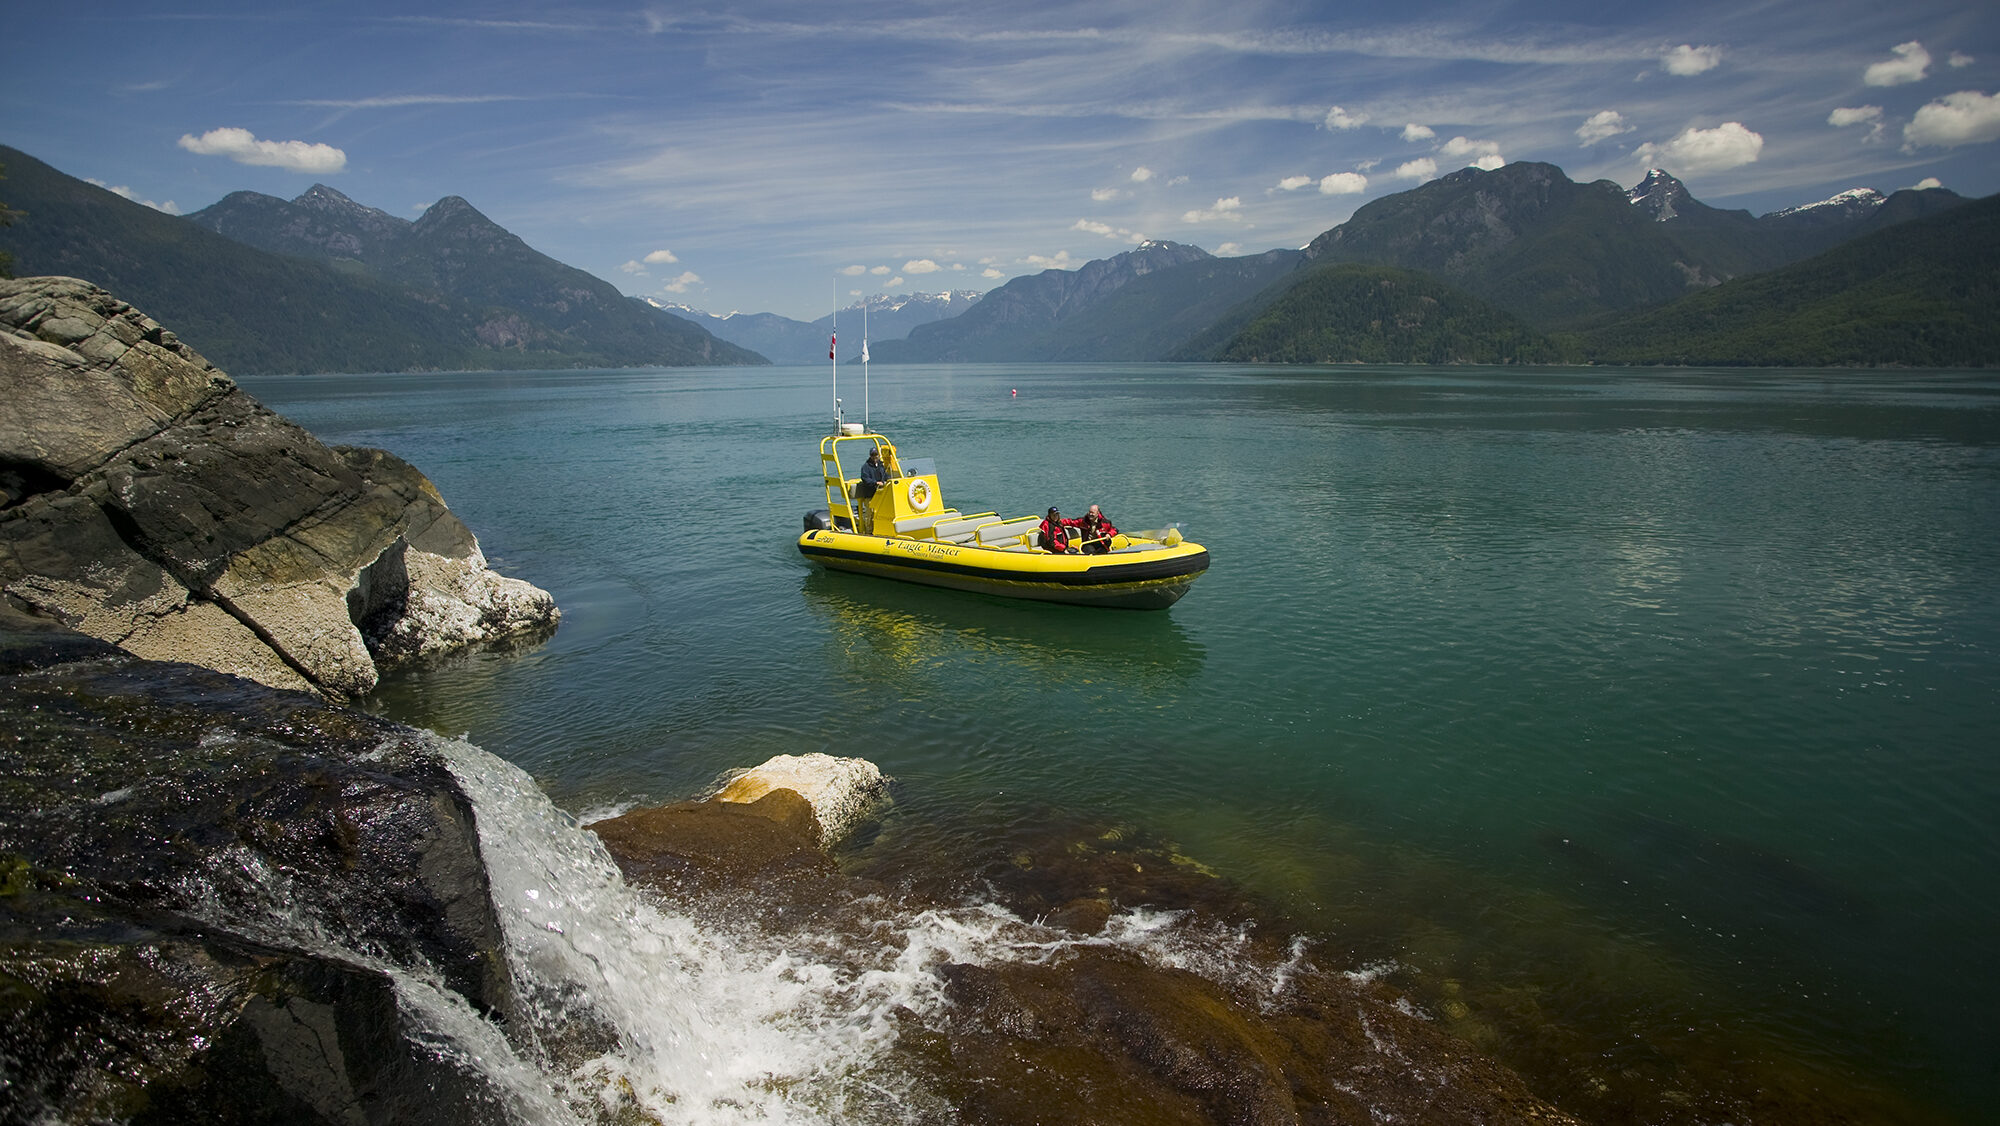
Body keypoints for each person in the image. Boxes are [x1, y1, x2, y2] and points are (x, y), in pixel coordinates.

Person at [854, 447, 889, 534]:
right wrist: (876, 483)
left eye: (876, 455)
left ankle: (880, 530)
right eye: (872, 455)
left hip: (880, 494)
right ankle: (868, 532)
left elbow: (886, 475)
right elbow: (865, 479)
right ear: (870, 456)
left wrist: (887, 481)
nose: (874, 457)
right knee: (869, 514)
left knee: (880, 514)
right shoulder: (866, 467)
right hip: (870, 494)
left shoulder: (881, 465)